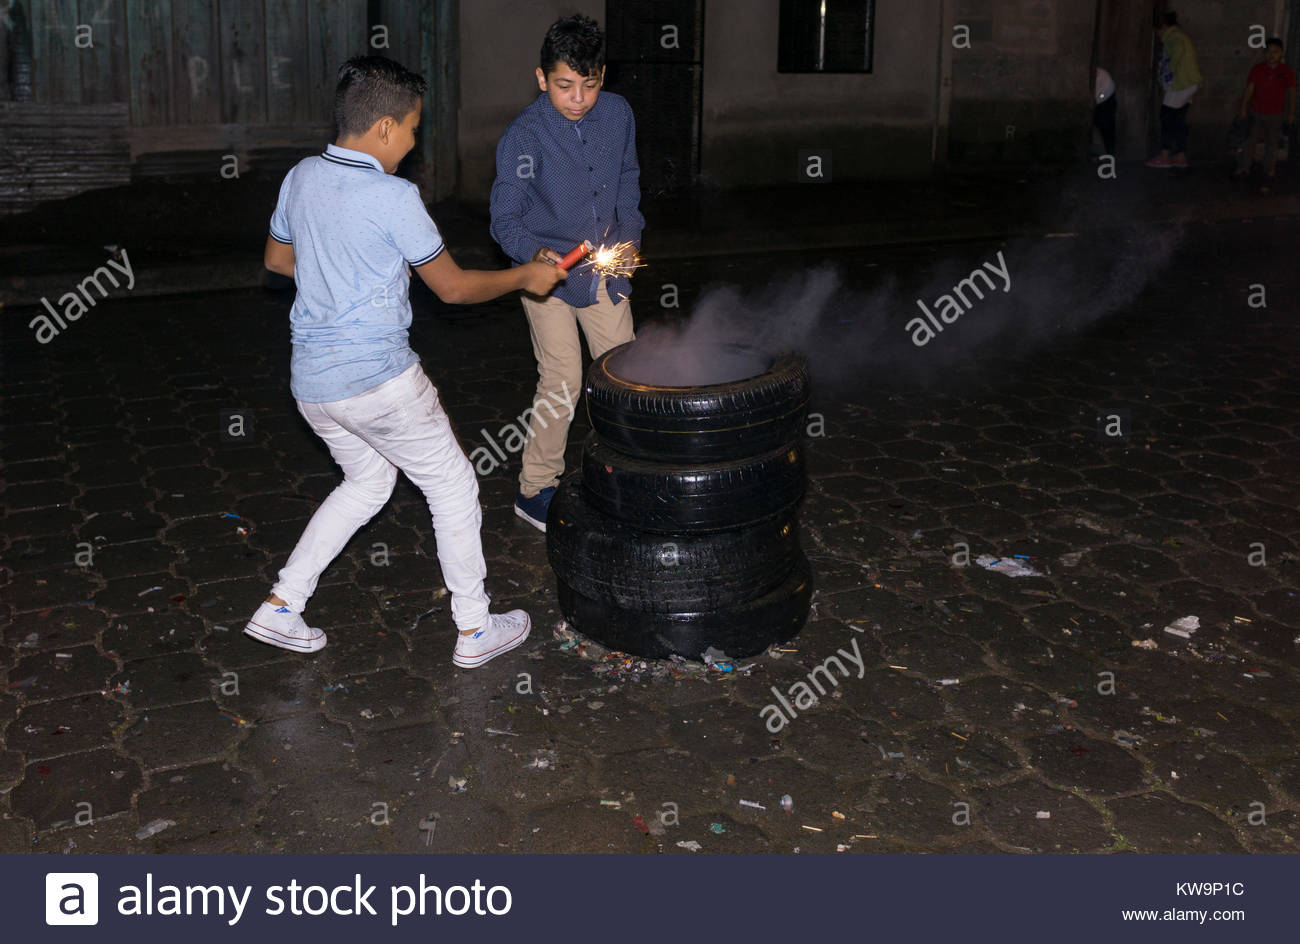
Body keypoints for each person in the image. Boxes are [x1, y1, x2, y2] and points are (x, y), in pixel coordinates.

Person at [245, 56, 565, 668]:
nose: (414, 144)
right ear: (386, 128)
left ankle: (283, 604)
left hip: (313, 384)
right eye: (414, 129)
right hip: (379, 381)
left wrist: (340, 269)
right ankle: (475, 629)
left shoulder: (301, 177)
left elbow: (279, 263)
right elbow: (452, 288)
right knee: (452, 487)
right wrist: (527, 275)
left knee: (366, 482)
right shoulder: (394, 196)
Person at [490, 14, 644, 532]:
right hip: (548, 277)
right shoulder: (524, 137)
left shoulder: (619, 114)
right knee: (563, 377)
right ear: (541, 78)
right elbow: (504, 218)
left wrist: (630, 239)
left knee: (624, 376)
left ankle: (630, 474)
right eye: (564, 86)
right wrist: (534, 256)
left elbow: (627, 177)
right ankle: (535, 488)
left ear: (603, 76)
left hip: (605, 267)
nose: (578, 98)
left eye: (590, 84)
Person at [1235, 37, 1297, 192]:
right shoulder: (1258, 69)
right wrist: (1243, 108)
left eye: (1275, 52)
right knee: (1250, 140)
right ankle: (1244, 167)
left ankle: (1269, 170)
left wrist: (1291, 113)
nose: (1272, 55)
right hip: (1256, 112)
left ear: (1281, 53)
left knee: (1271, 144)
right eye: (1269, 52)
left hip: (1275, 115)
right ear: (1264, 53)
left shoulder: (1286, 72)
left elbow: (1292, 93)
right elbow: (1250, 89)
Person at [1146, 12, 1201, 168]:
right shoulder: (1181, 36)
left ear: (1163, 27)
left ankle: (1165, 155)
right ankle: (1180, 155)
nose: (1158, 35)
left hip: (1180, 84)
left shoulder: (1173, 38)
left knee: (1166, 118)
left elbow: (1175, 56)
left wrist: (1169, 71)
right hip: (1190, 83)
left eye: (1157, 31)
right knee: (1179, 120)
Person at [1094, 66, 1117, 157]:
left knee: (1106, 127)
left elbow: (1105, 92)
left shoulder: (1103, 77)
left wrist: (1097, 99)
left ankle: (1109, 155)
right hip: (1098, 101)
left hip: (1105, 101)